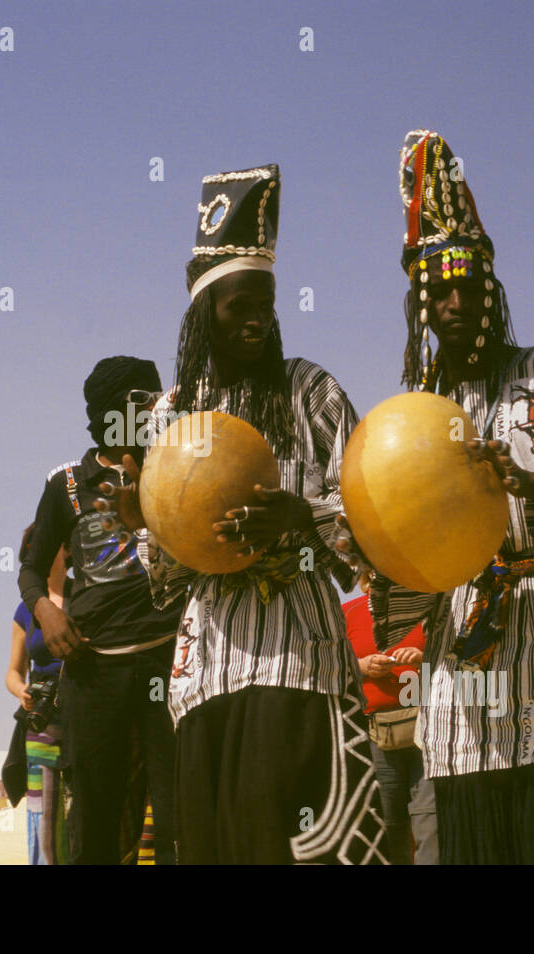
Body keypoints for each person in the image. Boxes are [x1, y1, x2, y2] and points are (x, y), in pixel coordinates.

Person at [345, 132, 534, 865]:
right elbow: (403, 592)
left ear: (492, 288)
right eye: (435, 289)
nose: (452, 302)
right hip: (460, 723)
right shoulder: (412, 418)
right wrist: (374, 548)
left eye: (467, 285)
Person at [103, 165, 386, 864]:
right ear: (205, 313)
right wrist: (150, 527)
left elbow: (370, 529)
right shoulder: (172, 416)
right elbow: (166, 582)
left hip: (303, 664)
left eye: (267, 301)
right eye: (239, 306)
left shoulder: (310, 392)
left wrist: (300, 517)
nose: (258, 318)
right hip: (209, 673)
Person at [19, 356, 182, 865]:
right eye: (143, 402)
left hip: (170, 664)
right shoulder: (66, 483)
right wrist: (46, 611)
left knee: (180, 814)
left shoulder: (179, 471)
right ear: (113, 411)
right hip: (93, 670)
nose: (157, 410)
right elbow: (29, 569)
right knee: (95, 814)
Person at [342, 578, 433, 864]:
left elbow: (458, 660)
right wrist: (362, 666)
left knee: (429, 819)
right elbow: (328, 667)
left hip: (427, 729)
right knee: (386, 819)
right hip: (374, 733)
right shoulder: (346, 612)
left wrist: (424, 660)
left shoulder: (430, 608)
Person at [6, 532, 69, 864]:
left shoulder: (87, 595)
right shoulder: (25, 608)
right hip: (42, 723)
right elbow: (13, 672)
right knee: (43, 821)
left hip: (85, 719)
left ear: (67, 548)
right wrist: (22, 692)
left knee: (87, 814)